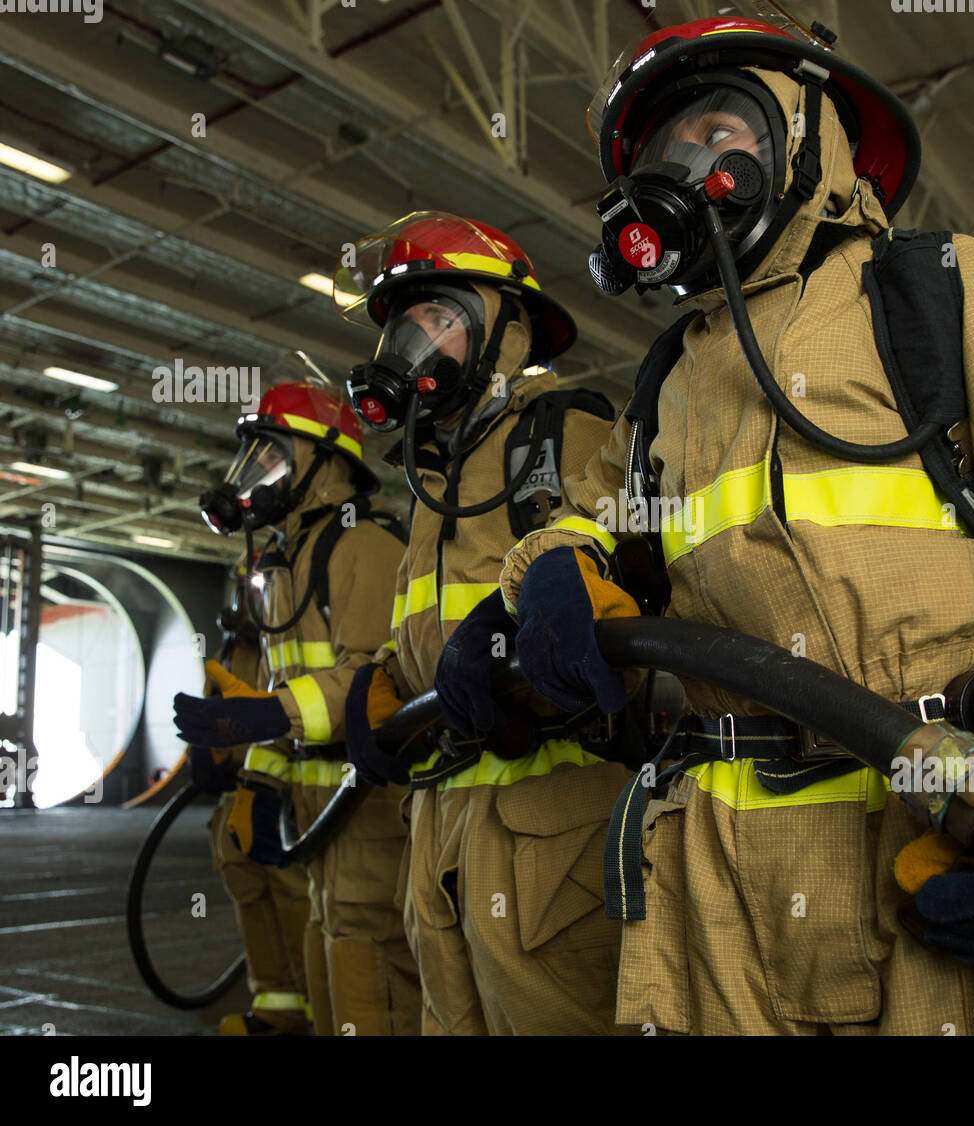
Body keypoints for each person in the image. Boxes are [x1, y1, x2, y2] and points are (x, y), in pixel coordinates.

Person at [439, 14, 974, 1035]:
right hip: (724, 907)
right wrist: (551, 573)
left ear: (809, 137)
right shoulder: (667, 383)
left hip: (949, 826)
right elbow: (606, 527)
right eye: (666, 151)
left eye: (720, 130)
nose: (688, 165)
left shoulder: (946, 292)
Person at [337, 211, 639, 1034]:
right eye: (404, 324)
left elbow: (628, 599)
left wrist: (511, 642)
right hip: (440, 828)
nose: (413, 343)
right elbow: (426, 638)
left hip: (550, 827)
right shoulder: (431, 480)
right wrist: (384, 690)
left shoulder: (566, 429)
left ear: (505, 331)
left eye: (439, 319)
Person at [173, 357, 416, 1035]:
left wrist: (258, 715)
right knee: (327, 941)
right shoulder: (285, 562)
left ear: (326, 465)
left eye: (272, 456)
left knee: (370, 962)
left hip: (365, 809)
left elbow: (374, 683)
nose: (253, 474)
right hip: (318, 816)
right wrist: (258, 777)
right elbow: (292, 690)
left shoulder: (362, 546)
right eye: (251, 456)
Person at [189, 562, 312, 1036]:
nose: (246, 599)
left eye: (255, 587)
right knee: (244, 881)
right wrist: (206, 753)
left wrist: (264, 780)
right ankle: (276, 1004)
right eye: (241, 588)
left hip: (284, 792)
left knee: (293, 893)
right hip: (236, 796)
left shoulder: (289, 632)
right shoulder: (232, 645)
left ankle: (319, 1005)